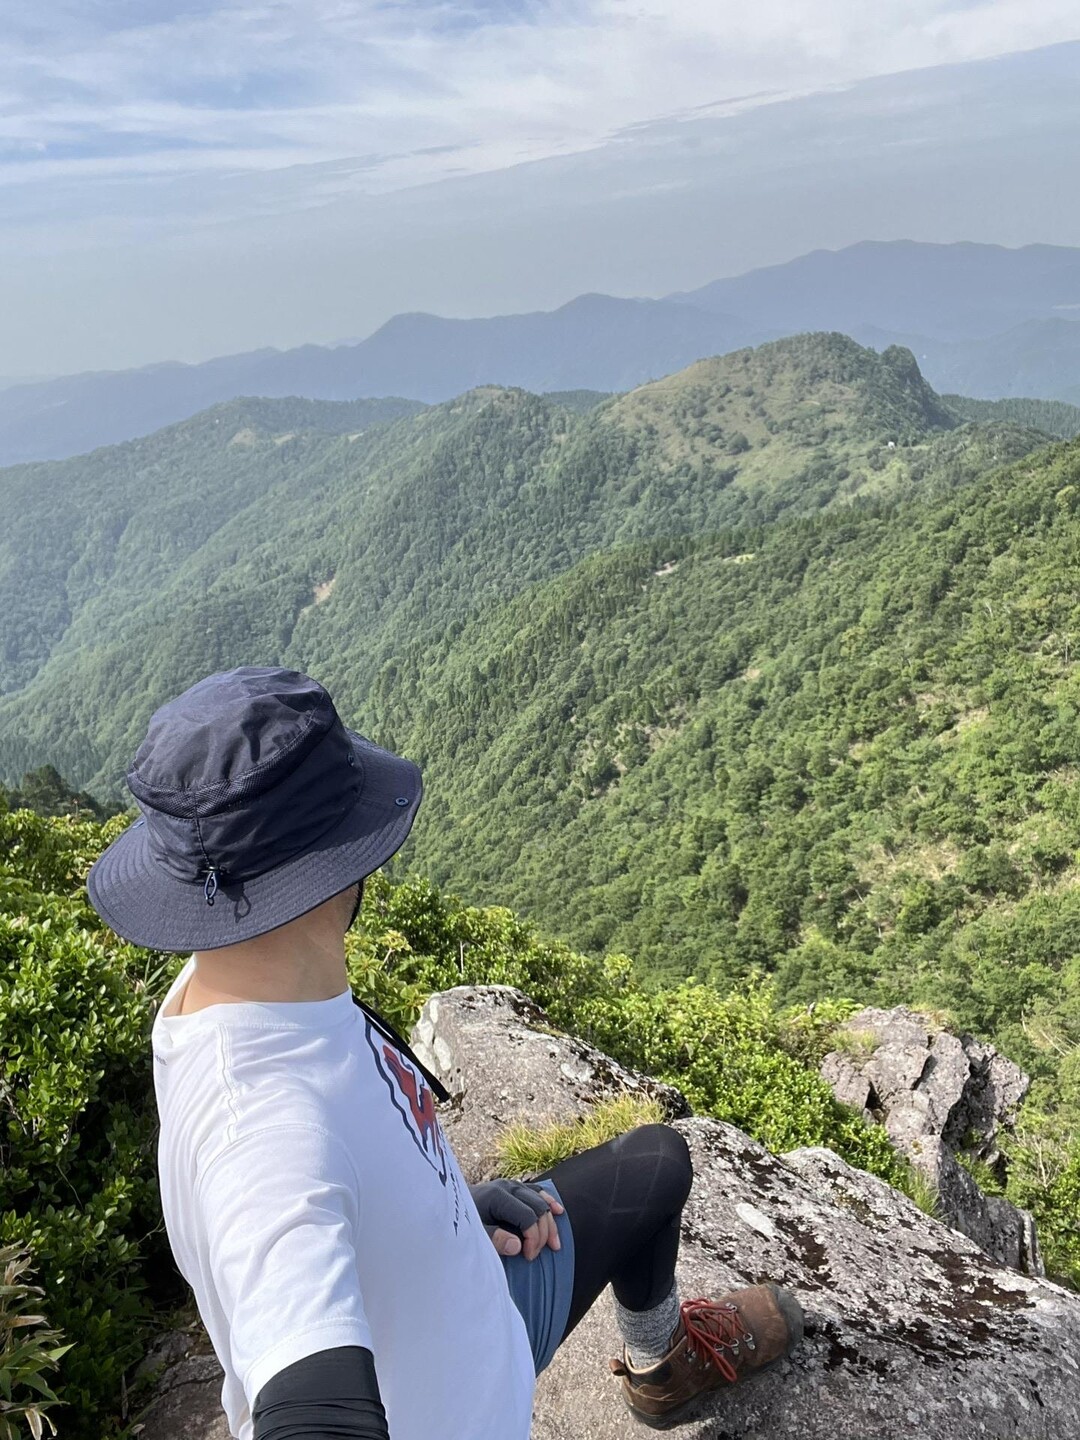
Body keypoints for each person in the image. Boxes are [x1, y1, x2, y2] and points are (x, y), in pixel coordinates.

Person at [87, 667, 803, 1439]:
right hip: (471, 1406)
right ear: (328, 866)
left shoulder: (235, 986)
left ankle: (659, 1368)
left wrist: (448, 1206)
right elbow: (309, 1399)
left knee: (660, 1161)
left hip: (475, 1298)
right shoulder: (261, 1135)